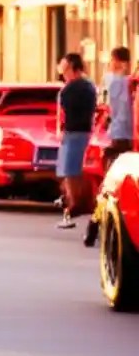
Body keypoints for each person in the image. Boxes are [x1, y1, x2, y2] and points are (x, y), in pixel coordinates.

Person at [55, 53, 97, 230]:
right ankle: (77, 203)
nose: (63, 74)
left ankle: (72, 206)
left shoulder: (67, 90)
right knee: (79, 172)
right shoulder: (91, 87)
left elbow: (62, 115)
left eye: (64, 70)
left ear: (72, 68)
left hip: (72, 133)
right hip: (87, 133)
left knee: (69, 172)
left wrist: (60, 131)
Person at [103, 47, 133, 173]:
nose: (110, 63)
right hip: (126, 132)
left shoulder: (113, 80)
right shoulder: (127, 82)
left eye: (112, 60)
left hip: (118, 131)